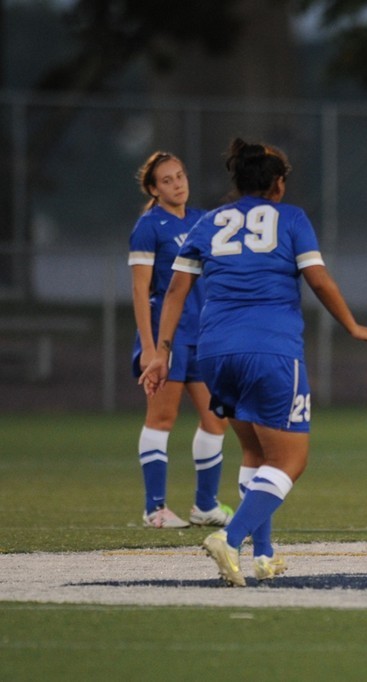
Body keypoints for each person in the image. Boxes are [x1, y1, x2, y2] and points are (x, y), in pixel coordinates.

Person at [140, 138, 367, 586]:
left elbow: (176, 292)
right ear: (277, 183)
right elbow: (319, 278)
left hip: (214, 353)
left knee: (255, 450)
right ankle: (230, 539)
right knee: (291, 460)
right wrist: (352, 325)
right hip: (270, 350)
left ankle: (264, 554)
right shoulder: (290, 218)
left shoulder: (210, 221)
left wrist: (161, 352)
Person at [128, 151, 231, 529]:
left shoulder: (205, 220)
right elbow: (141, 290)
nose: (177, 183)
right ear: (154, 189)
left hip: (202, 336)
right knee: (162, 418)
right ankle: (154, 509)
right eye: (167, 180)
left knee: (216, 419)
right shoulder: (149, 226)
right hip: (166, 336)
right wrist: (150, 347)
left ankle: (205, 506)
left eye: (180, 175)